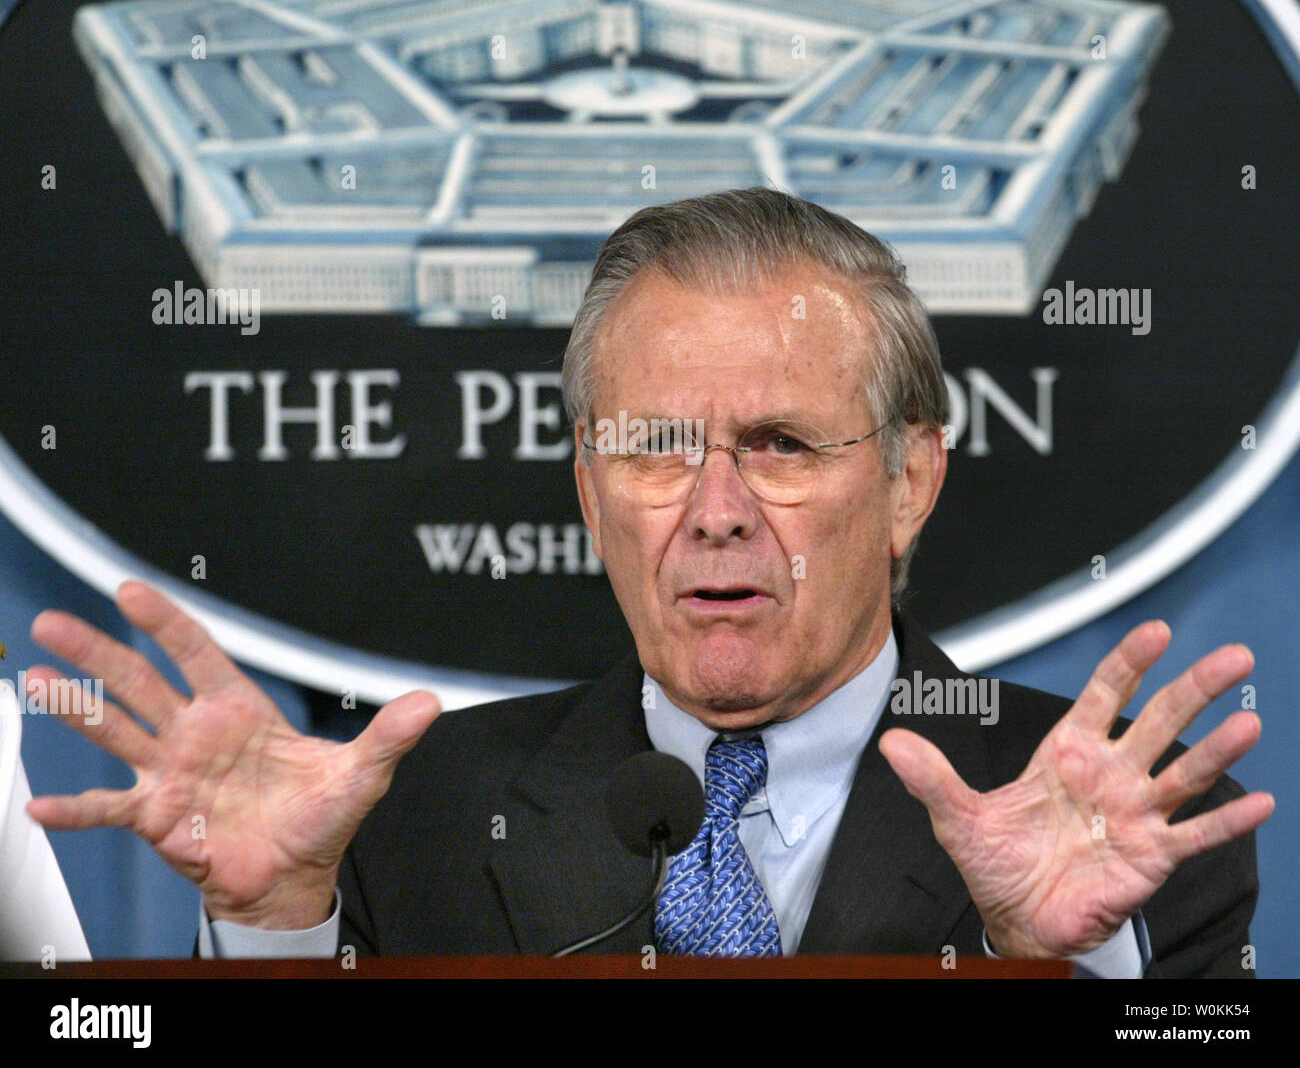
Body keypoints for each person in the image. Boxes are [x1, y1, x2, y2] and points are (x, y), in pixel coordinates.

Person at [24, 188, 1270, 975]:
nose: (714, 513)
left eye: (780, 446)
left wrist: (1056, 965)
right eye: (655, 448)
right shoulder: (403, 819)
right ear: (586, 487)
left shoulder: (1122, 831)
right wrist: (278, 926)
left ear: (908, 482)